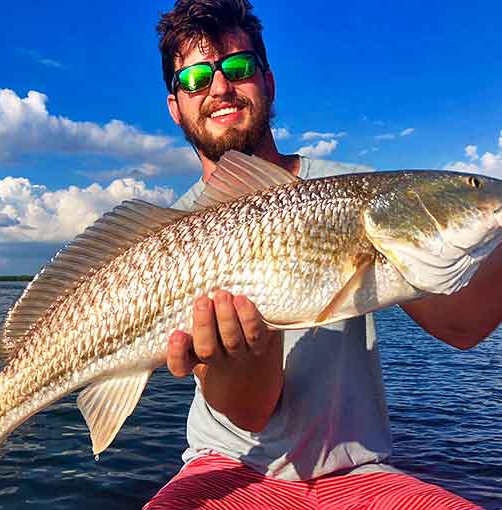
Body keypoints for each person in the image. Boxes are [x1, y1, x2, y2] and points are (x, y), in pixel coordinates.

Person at [144, 1, 502, 509]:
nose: (219, 87)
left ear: (268, 81)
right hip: (226, 465)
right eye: (196, 76)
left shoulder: (353, 190)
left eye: (238, 68)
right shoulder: (169, 236)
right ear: (174, 105)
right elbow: (248, 412)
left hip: (361, 469)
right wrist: (242, 358)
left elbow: (465, 324)